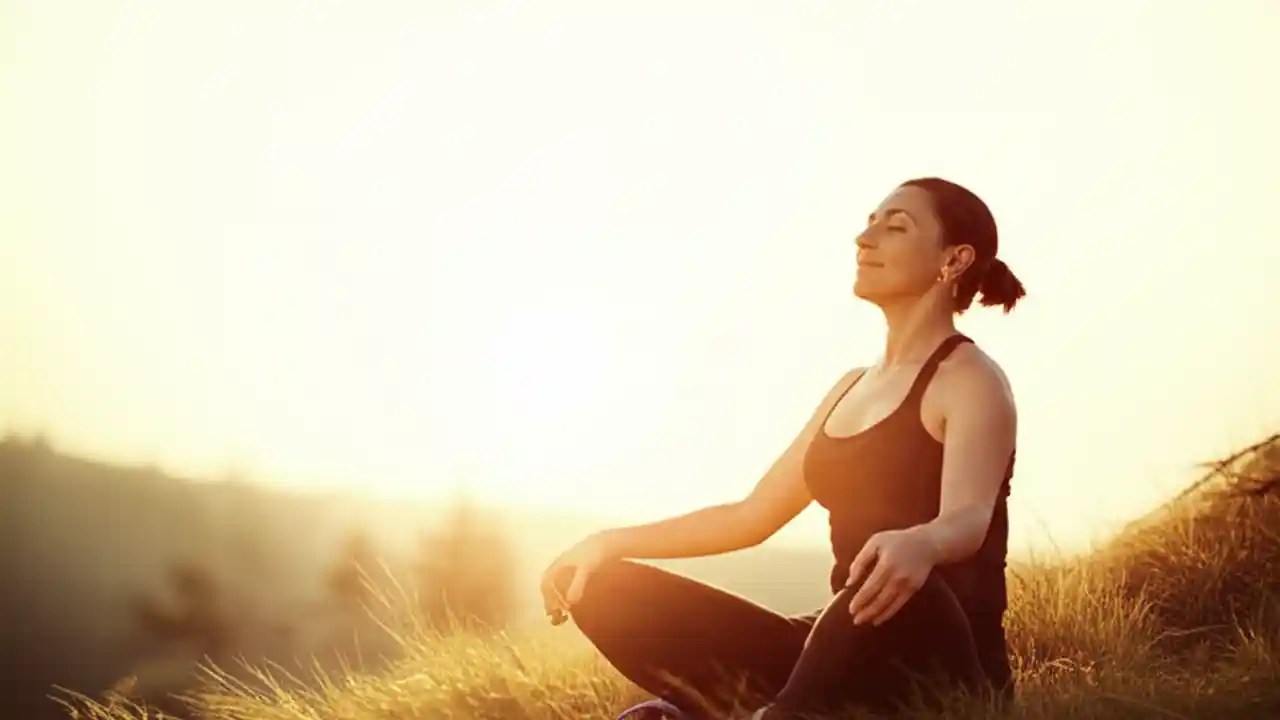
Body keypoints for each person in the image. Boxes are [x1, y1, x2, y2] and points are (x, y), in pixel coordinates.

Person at [539, 177, 1026, 719]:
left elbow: (968, 518)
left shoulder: (970, 380)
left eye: (896, 227)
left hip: (937, 665)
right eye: (869, 222)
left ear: (955, 259)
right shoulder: (850, 387)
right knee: (597, 587)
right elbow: (750, 516)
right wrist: (607, 542)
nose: (865, 238)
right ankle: (770, 707)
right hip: (836, 651)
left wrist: (924, 543)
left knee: (892, 571)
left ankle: (780, 712)